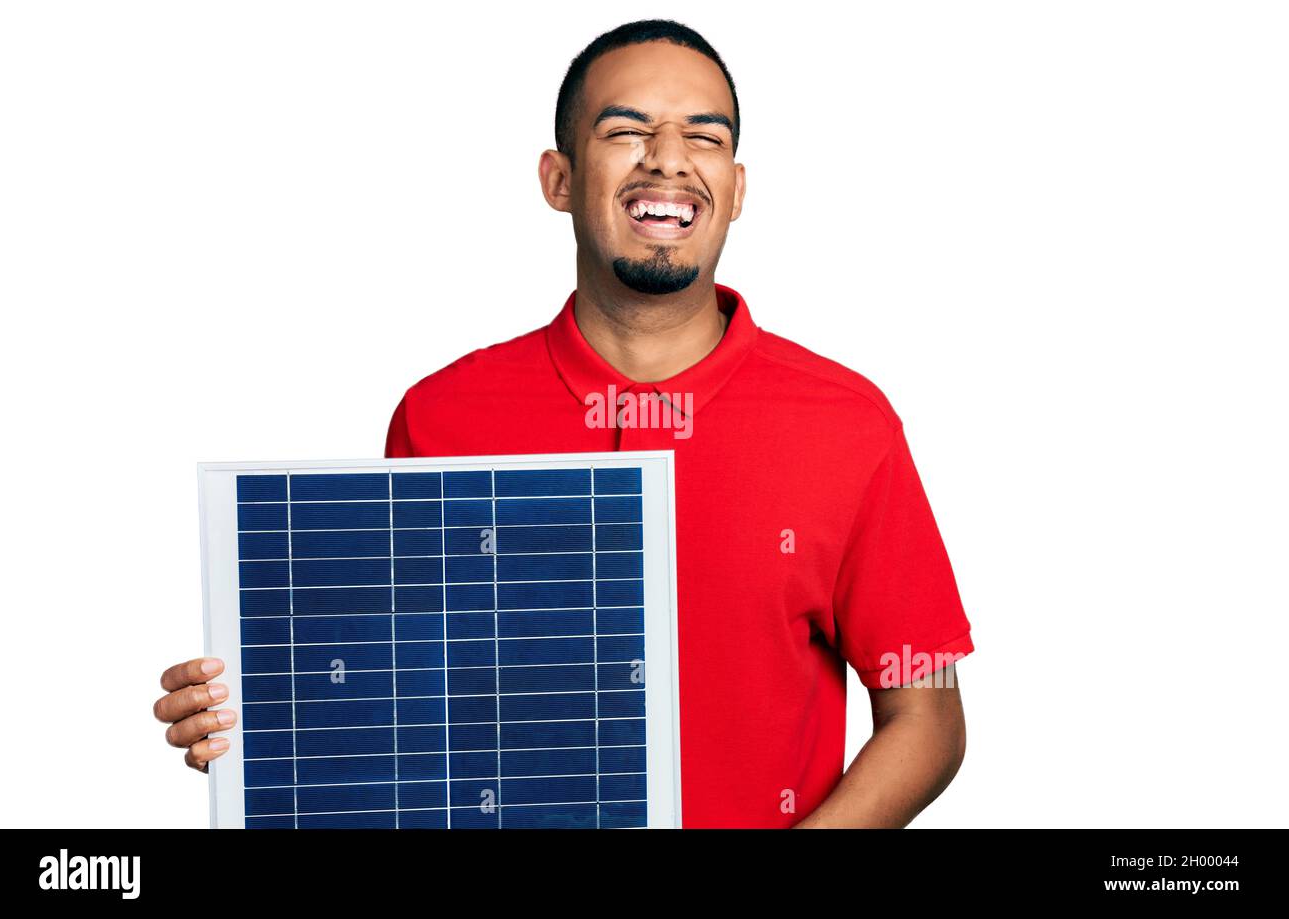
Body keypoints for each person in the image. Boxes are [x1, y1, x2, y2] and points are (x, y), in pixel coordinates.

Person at [154, 18, 975, 829]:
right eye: (626, 130)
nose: (668, 156)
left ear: (736, 187)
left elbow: (926, 718)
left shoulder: (847, 424)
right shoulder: (441, 416)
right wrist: (256, 718)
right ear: (558, 178)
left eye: (705, 136)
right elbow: (401, 698)